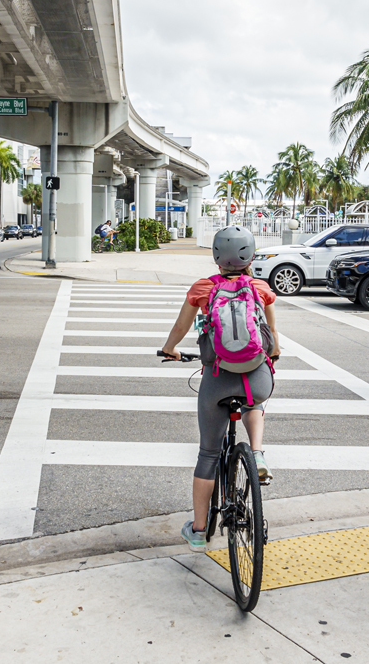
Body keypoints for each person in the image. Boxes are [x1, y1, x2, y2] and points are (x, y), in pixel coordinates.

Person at [160, 226, 280, 552]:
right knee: (255, 402)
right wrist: (274, 353)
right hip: (255, 378)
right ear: (251, 256)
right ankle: (256, 452)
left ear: (215, 257)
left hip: (217, 379)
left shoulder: (202, 288)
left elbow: (182, 326)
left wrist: (170, 348)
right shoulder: (260, 288)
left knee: (208, 454)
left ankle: (199, 531)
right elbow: (271, 332)